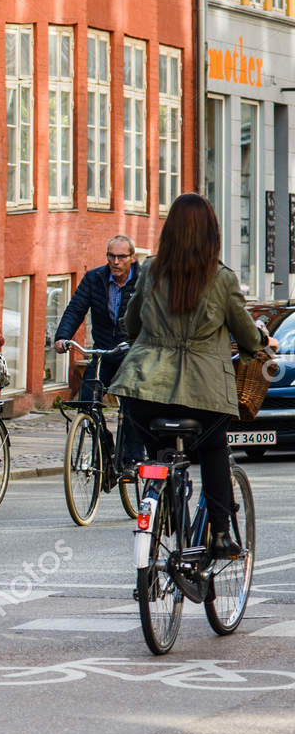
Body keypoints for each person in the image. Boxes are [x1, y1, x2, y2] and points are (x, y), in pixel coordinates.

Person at [108, 193, 274, 559]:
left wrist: (149, 342)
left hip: (142, 389)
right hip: (204, 395)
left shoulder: (151, 270)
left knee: (160, 450)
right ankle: (219, 535)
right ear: (210, 234)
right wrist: (260, 338)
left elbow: (131, 323)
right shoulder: (221, 277)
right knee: (215, 449)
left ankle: (161, 518)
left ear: (170, 232)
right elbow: (246, 335)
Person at [53, 235, 144, 475]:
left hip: (133, 353)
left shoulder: (145, 280)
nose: (115, 262)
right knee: (87, 399)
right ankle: (105, 443)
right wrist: (62, 337)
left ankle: (132, 460)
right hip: (104, 352)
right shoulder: (95, 278)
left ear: (132, 257)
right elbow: (76, 308)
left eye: (121, 257)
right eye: (111, 256)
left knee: (133, 403)